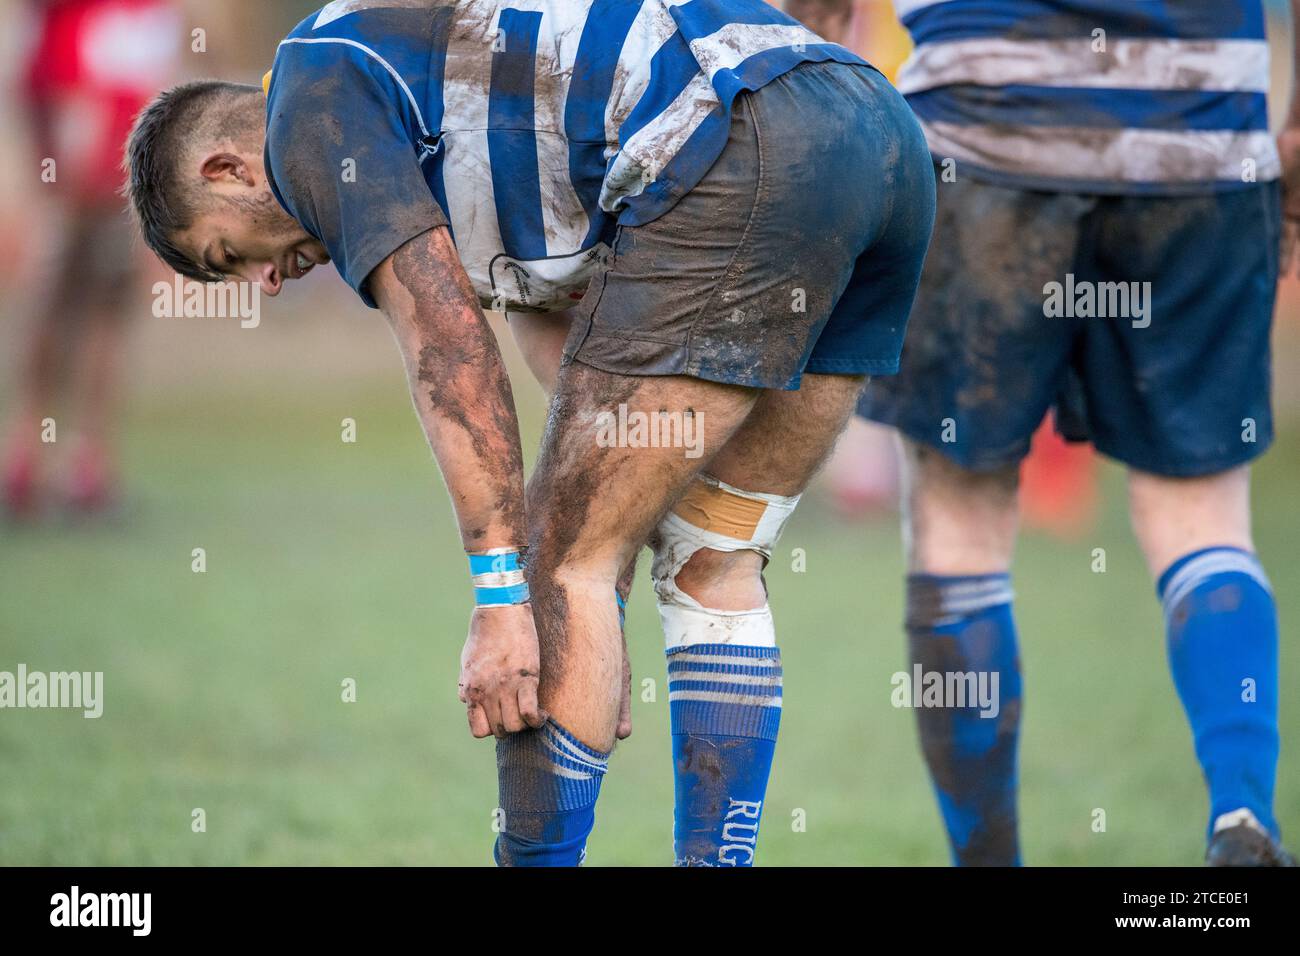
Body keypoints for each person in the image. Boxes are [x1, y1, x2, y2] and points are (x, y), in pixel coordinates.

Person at [123, 0, 935, 865]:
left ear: (224, 169)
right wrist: (595, 621)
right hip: (874, 135)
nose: (266, 282)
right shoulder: (437, 100)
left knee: (557, 562)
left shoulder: (309, 100)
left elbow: (445, 339)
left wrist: (510, 594)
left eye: (228, 257)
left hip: (743, 138)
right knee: (714, 555)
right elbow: (576, 344)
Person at [815, 0, 1294, 865]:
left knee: (958, 529)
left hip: (982, 140)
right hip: (1202, 140)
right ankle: (1241, 812)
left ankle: (989, 862)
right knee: (1203, 523)